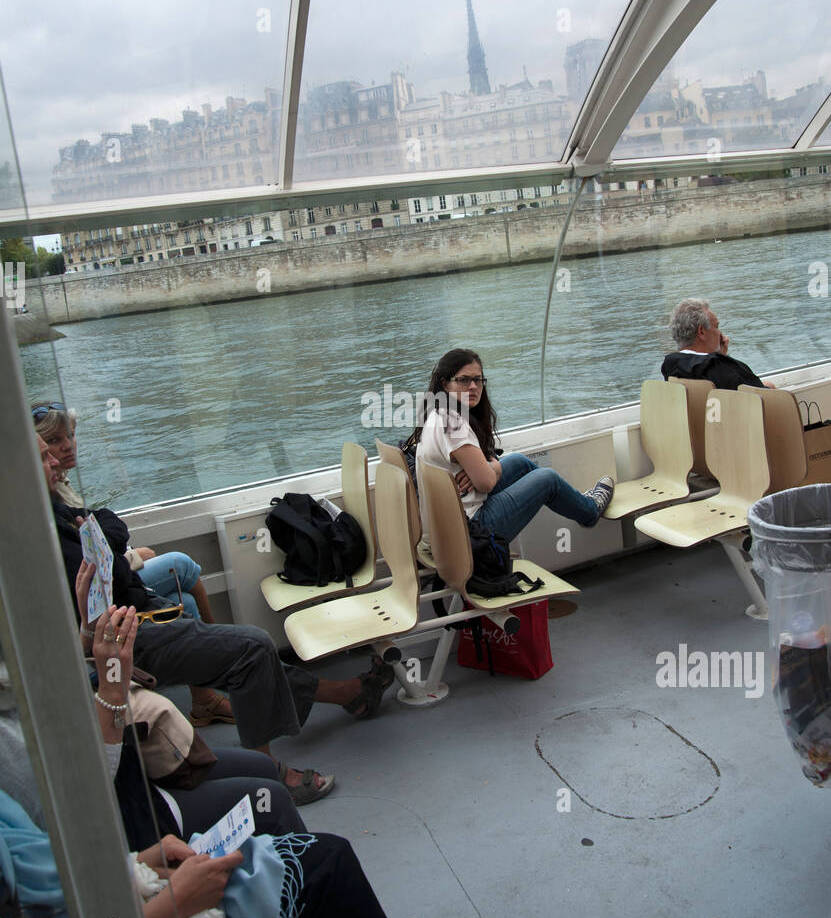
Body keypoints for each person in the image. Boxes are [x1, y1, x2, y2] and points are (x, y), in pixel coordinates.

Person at [0, 604, 419, 918]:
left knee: (262, 771)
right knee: (308, 848)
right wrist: (170, 901)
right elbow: (76, 811)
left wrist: (136, 867)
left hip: (125, 828)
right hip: (122, 861)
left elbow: (40, 857)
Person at [37, 437, 394, 804]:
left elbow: (108, 525)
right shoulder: (40, 531)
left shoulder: (51, 506)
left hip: (137, 610)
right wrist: (104, 535)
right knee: (251, 649)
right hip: (121, 635)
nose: (54, 459)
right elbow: (104, 555)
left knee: (241, 648)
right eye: (44, 454)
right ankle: (267, 773)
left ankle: (348, 695)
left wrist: (103, 533)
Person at [33, 402, 215, 627]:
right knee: (181, 565)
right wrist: (132, 557)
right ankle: (217, 634)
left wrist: (106, 544)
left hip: (118, 571)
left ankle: (210, 641)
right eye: (54, 441)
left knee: (183, 601)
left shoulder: (63, 485)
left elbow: (107, 521)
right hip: (113, 586)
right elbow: (88, 566)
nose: (68, 445)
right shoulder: (50, 499)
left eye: (71, 435)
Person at [409, 348, 615, 546]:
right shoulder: (453, 424)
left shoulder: (438, 414)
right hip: (468, 532)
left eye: (478, 380)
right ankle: (589, 511)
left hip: (447, 525)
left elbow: (483, 474)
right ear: (445, 384)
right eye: (464, 380)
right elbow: (487, 483)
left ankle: (578, 502)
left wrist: (484, 468)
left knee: (519, 462)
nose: (473, 386)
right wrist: (490, 468)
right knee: (547, 479)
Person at [661, 299, 775, 389]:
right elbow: (763, 399)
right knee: (770, 386)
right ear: (701, 332)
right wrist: (723, 361)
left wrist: (719, 357)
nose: (720, 334)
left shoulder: (671, 367)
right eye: (716, 327)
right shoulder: (727, 369)